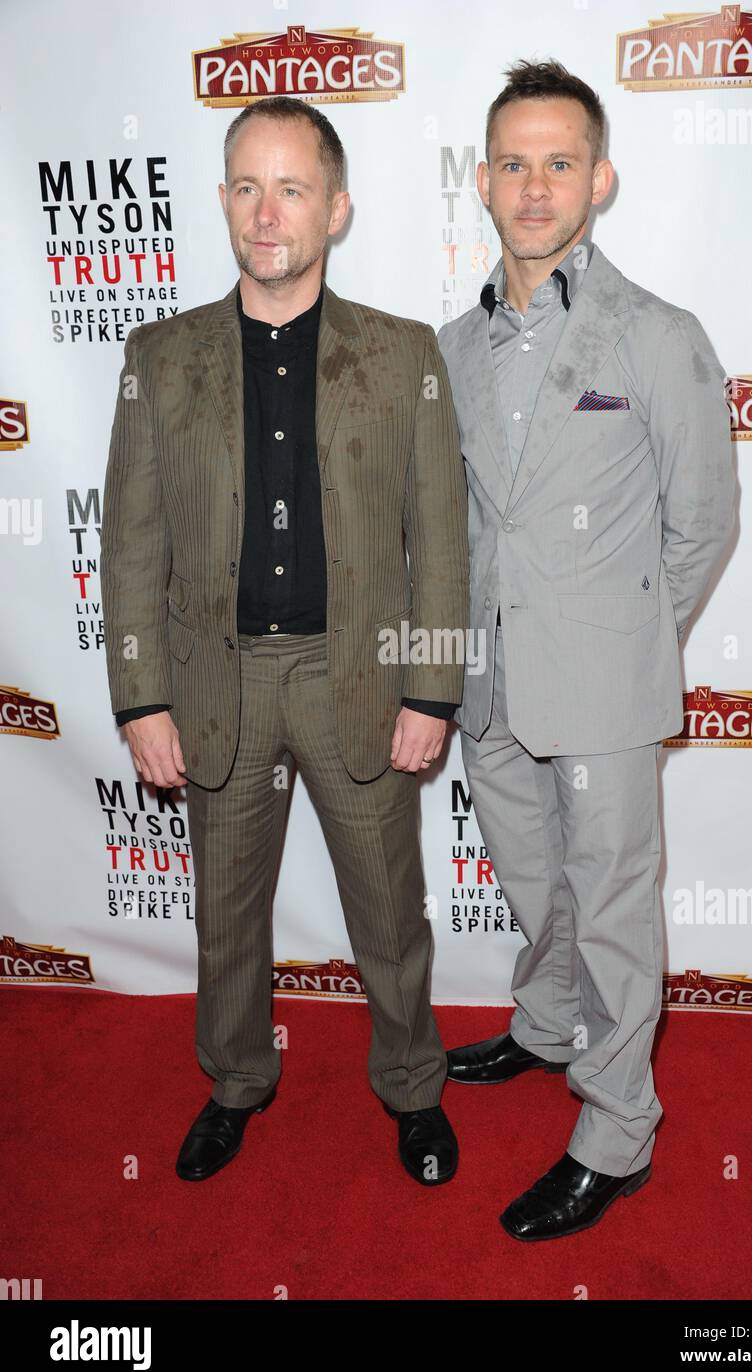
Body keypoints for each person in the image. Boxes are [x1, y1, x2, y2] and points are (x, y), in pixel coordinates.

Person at [101, 95, 469, 1187]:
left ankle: (412, 1087)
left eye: (293, 188)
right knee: (225, 916)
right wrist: (141, 698)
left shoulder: (403, 356)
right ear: (222, 202)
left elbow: (439, 540)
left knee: (389, 915)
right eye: (247, 188)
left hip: (355, 675)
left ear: (336, 207)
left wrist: (432, 689)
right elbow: (129, 543)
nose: (269, 214)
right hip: (217, 681)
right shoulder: (158, 357)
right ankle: (235, 1081)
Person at [437, 59, 735, 1240]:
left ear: (598, 179)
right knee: (534, 884)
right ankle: (545, 1024)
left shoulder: (656, 335)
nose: (535, 184)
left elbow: (701, 520)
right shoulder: (451, 348)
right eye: (514, 162)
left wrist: (625, 646)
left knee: (610, 906)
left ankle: (616, 1133)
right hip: (486, 681)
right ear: (482, 180)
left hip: (603, 682)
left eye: (559, 161)